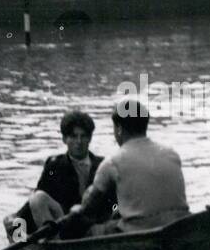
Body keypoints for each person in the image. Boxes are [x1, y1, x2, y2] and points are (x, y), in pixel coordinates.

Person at [66, 94, 190, 236]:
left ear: (119, 129)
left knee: (87, 229)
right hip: (179, 228)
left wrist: (77, 209)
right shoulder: (171, 154)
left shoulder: (113, 162)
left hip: (138, 232)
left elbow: (88, 208)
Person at [4, 109, 103, 241]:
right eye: (73, 136)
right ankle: (57, 246)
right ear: (64, 139)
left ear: (90, 138)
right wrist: (16, 220)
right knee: (38, 198)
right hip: (64, 226)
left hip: (91, 227)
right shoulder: (55, 165)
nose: (79, 142)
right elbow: (37, 198)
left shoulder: (102, 164)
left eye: (83, 136)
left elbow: (115, 202)